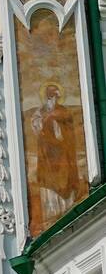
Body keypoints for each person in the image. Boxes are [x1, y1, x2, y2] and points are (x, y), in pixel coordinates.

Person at [31, 82, 80, 224]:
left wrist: (58, 119)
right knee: (49, 180)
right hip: (47, 153)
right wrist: (47, 120)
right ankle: (52, 212)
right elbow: (36, 127)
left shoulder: (63, 110)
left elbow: (69, 127)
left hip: (63, 151)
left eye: (56, 96)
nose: (54, 99)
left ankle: (69, 208)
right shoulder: (40, 112)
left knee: (65, 177)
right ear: (48, 96)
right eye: (52, 95)